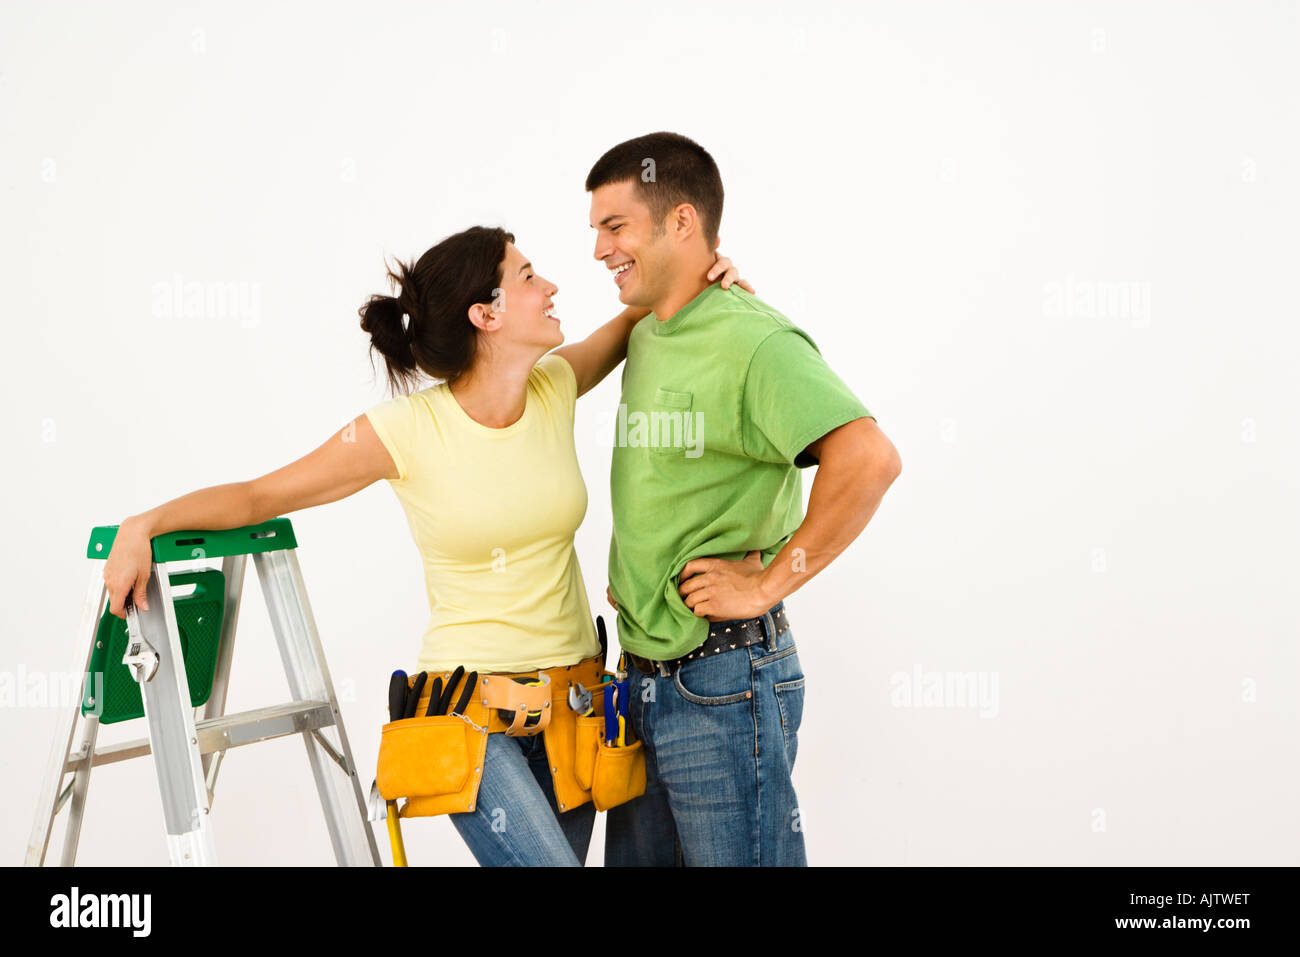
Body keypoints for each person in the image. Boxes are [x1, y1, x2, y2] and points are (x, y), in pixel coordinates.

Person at [101, 224, 749, 866]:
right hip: (470, 720)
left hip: (573, 716)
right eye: (528, 277)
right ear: (484, 314)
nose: (551, 286)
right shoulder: (406, 430)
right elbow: (259, 497)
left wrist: (714, 277)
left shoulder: (554, 388)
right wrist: (144, 523)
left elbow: (647, 309)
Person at [587, 132, 903, 866]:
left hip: (721, 682)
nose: (599, 249)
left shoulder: (754, 340)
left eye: (615, 226)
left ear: (683, 222)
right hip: (641, 681)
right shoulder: (649, 329)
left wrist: (766, 583)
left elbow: (870, 458)